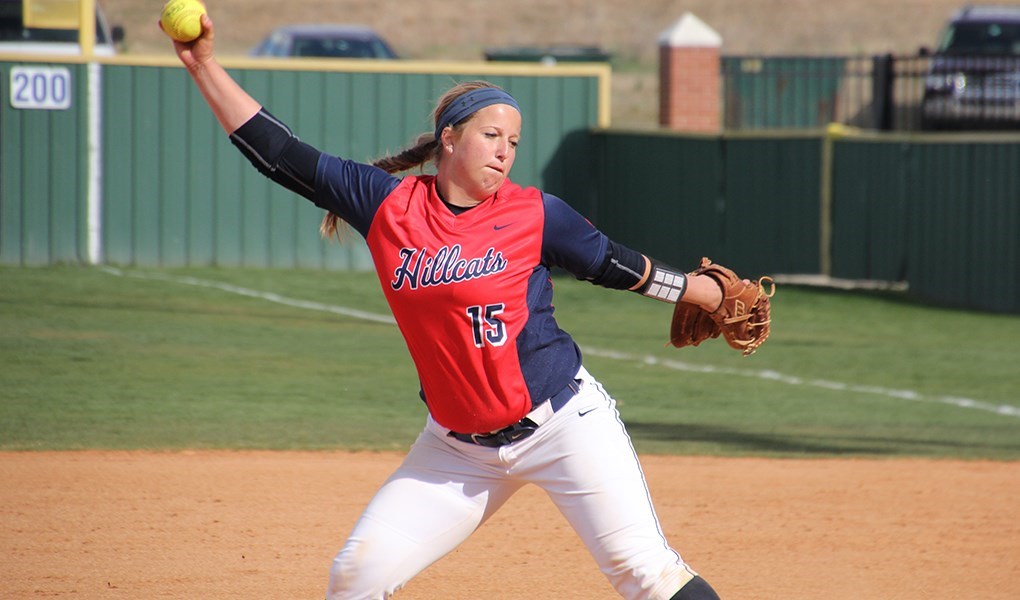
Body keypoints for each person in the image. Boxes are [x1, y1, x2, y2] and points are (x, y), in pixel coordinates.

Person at [164, 12, 726, 600]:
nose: (505, 151)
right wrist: (203, 64)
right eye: (492, 135)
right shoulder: (388, 204)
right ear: (449, 139)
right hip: (456, 451)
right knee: (356, 576)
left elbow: (615, 264)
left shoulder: (534, 212)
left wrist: (700, 291)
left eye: (514, 141)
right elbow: (280, 154)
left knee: (647, 572)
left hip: (564, 426)